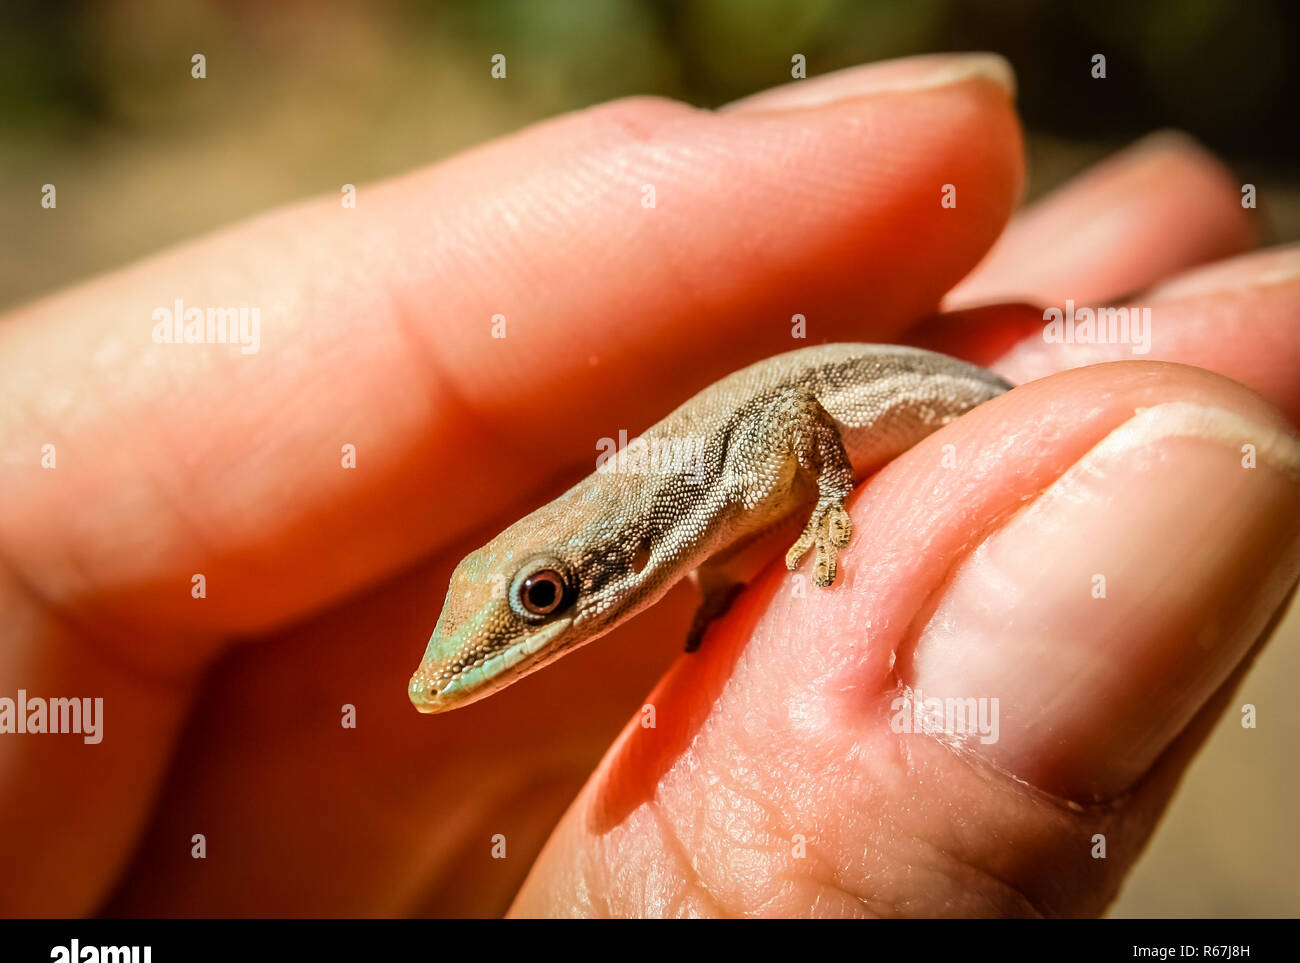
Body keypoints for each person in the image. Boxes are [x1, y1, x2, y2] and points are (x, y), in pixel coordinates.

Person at [1, 53, 1296, 917]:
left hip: (991, 422)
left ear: (602, 561)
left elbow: (793, 413)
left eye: (543, 594)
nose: (518, 636)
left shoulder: (706, 483)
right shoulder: (693, 517)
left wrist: (837, 514)